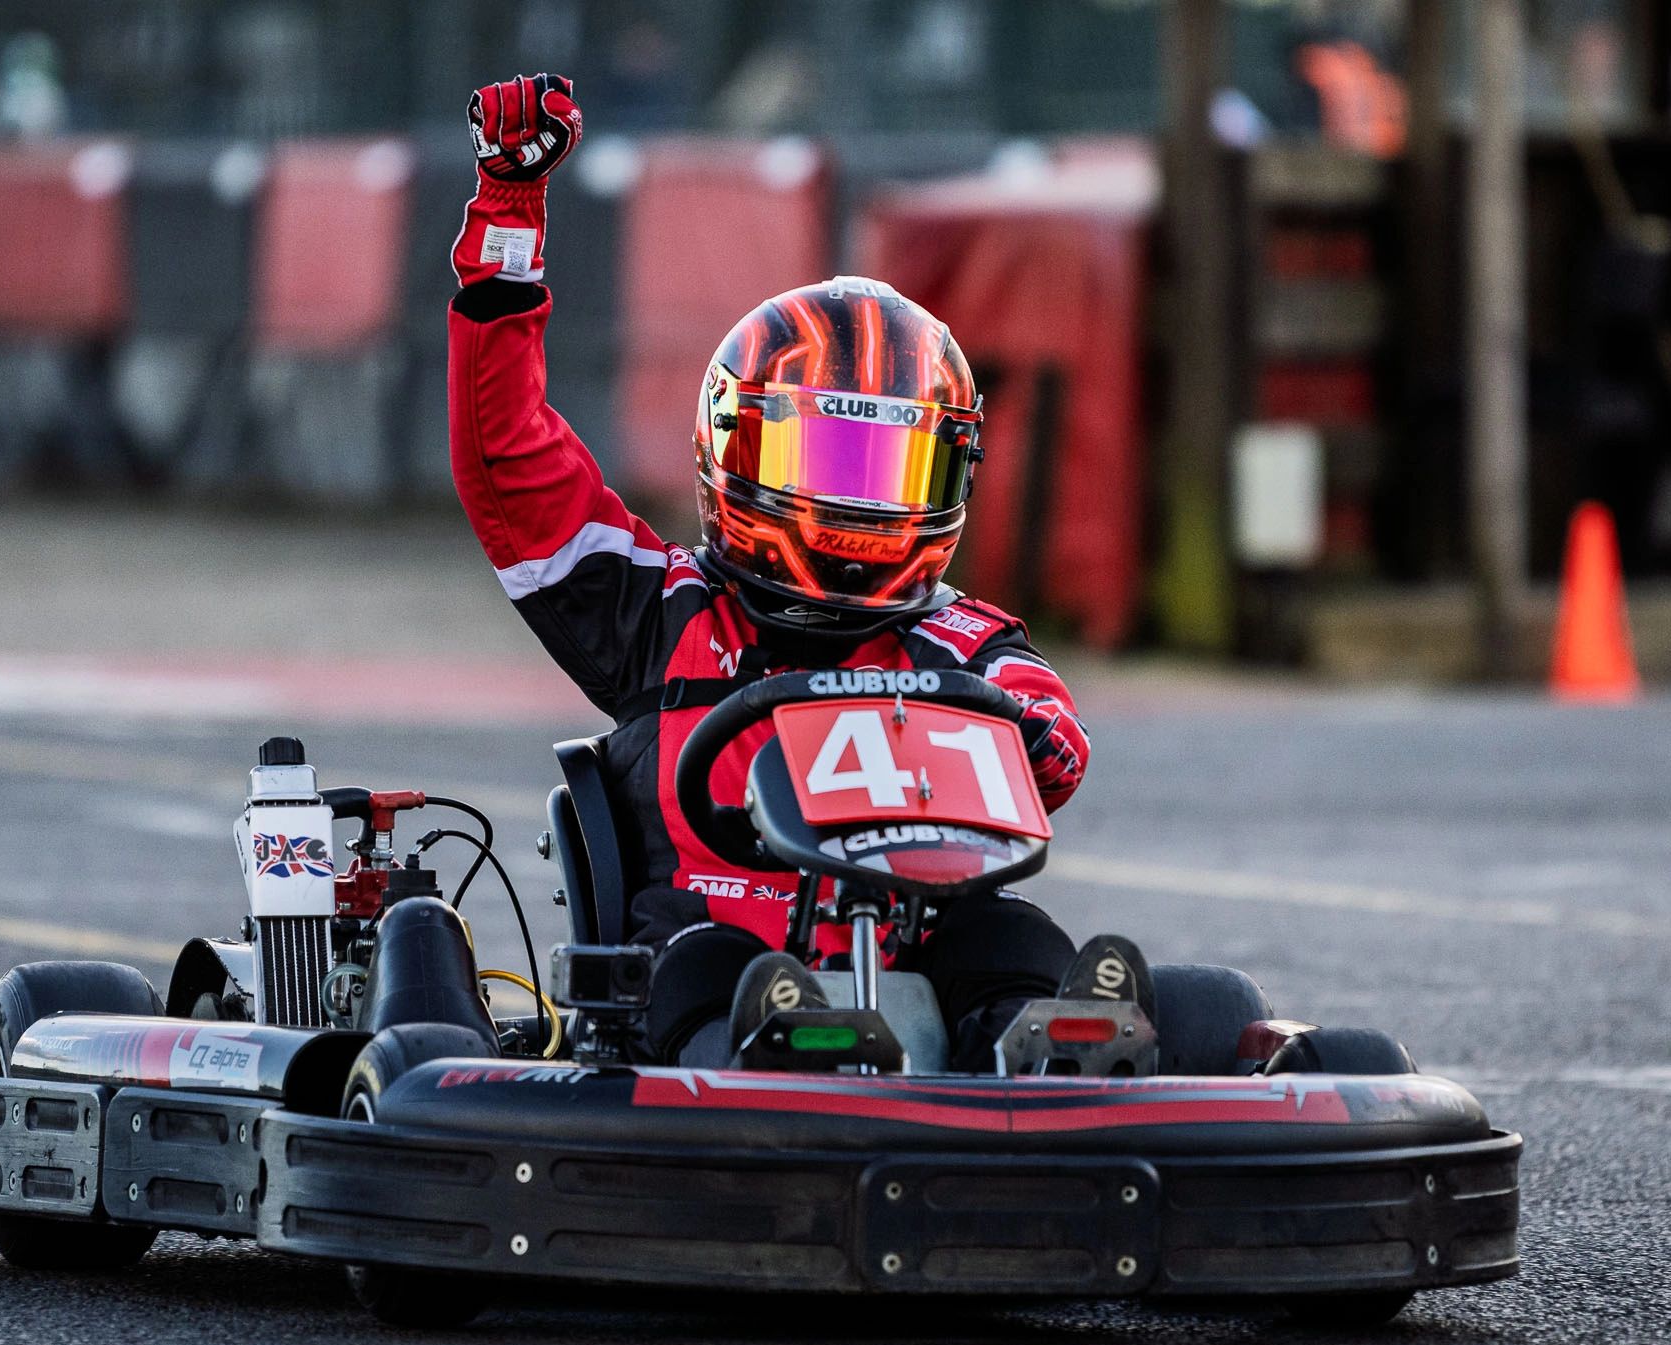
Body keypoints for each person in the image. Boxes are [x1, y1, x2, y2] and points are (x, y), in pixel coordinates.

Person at [448, 74, 1149, 1068]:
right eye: (828, 463)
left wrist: (1033, 738)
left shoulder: (960, 643)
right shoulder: (656, 613)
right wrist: (508, 215)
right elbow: (505, 455)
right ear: (736, 450)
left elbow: (1044, 722)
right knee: (704, 963)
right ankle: (767, 1054)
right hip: (699, 975)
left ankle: (1044, 1050)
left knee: (1010, 939)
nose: (859, 503)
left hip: (920, 948)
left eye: (892, 469)